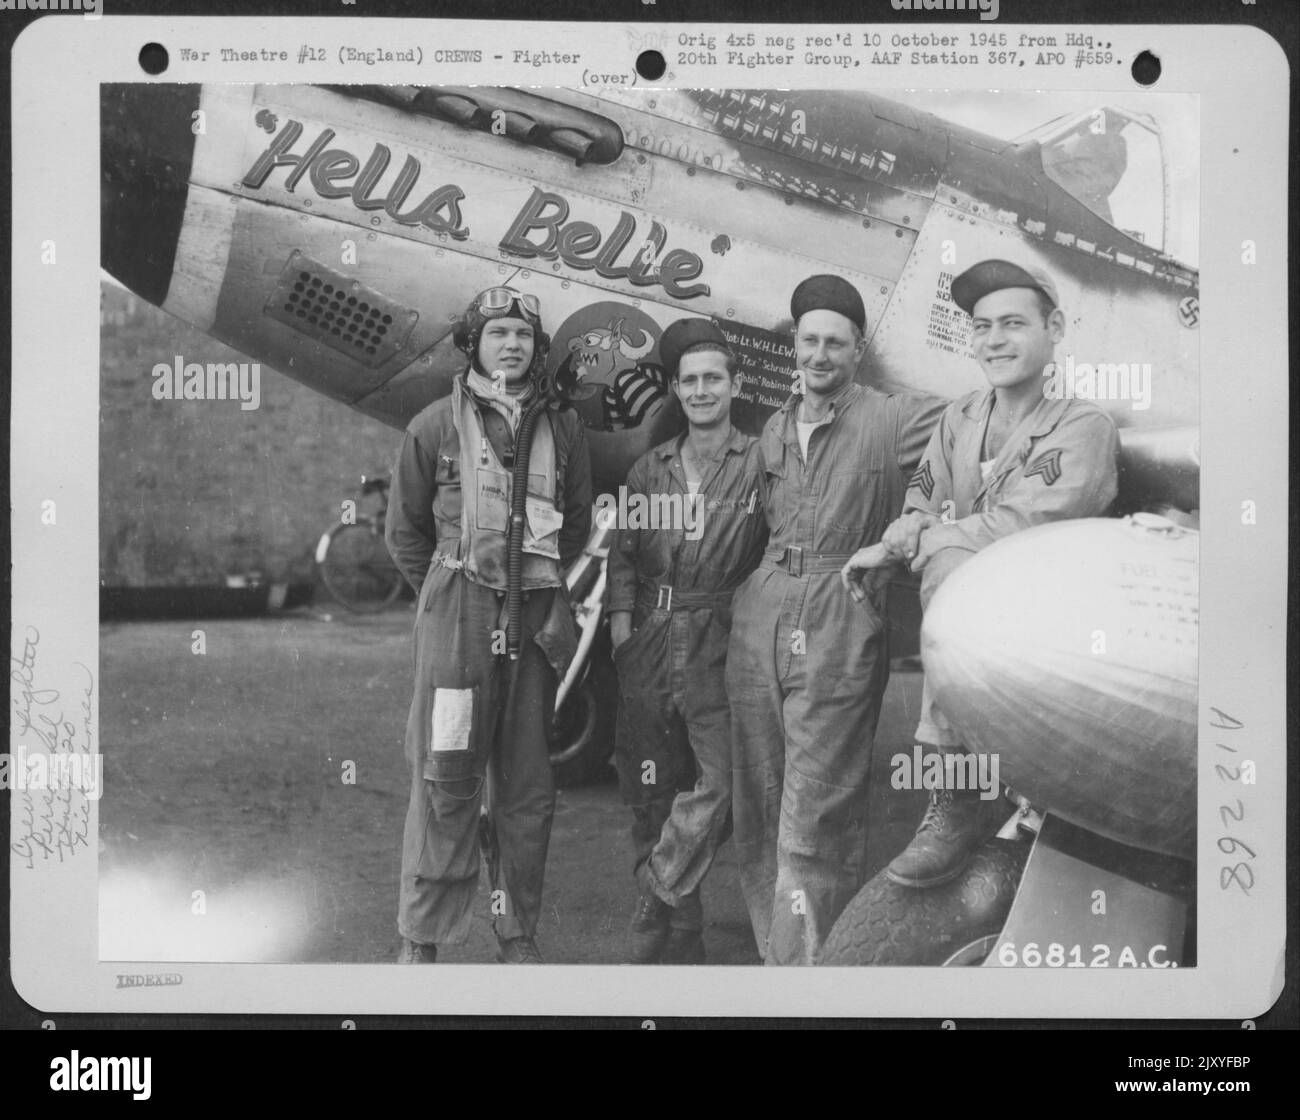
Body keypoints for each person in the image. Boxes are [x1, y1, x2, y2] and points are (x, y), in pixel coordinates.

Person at [842, 259, 1121, 888]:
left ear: (1055, 328)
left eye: (1014, 323)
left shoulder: (1083, 426)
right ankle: (957, 795)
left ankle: (960, 803)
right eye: (981, 326)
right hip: (973, 639)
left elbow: (1028, 526)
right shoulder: (960, 416)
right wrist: (905, 527)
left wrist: (919, 544)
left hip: (1049, 634)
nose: (993, 339)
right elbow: (924, 495)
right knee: (942, 560)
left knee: (951, 563)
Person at [726, 275, 947, 965]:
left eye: (836, 342)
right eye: (810, 340)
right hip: (761, 605)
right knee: (759, 805)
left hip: (840, 607)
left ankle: (804, 982)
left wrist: (917, 508)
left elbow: (973, 421)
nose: (820, 354)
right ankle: (780, 961)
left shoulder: (891, 418)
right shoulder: (772, 426)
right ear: (794, 346)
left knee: (814, 814)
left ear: (858, 350)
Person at [386, 286, 592, 964]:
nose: (512, 344)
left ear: (537, 350)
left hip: (532, 613)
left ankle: (516, 932)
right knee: (446, 771)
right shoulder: (432, 426)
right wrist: (447, 597)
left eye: (524, 336)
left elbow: (578, 523)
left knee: (528, 782)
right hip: (460, 614)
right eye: (498, 332)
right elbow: (405, 531)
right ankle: (423, 934)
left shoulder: (561, 430)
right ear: (474, 343)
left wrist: (526, 587)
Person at [607, 318, 767, 964]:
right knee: (651, 785)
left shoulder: (758, 462)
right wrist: (622, 631)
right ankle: (682, 925)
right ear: (676, 389)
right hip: (650, 633)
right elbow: (622, 556)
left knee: (723, 781)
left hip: (718, 636)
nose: (701, 391)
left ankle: (658, 886)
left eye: (713, 379)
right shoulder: (653, 467)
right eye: (690, 381)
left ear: (734, 385)